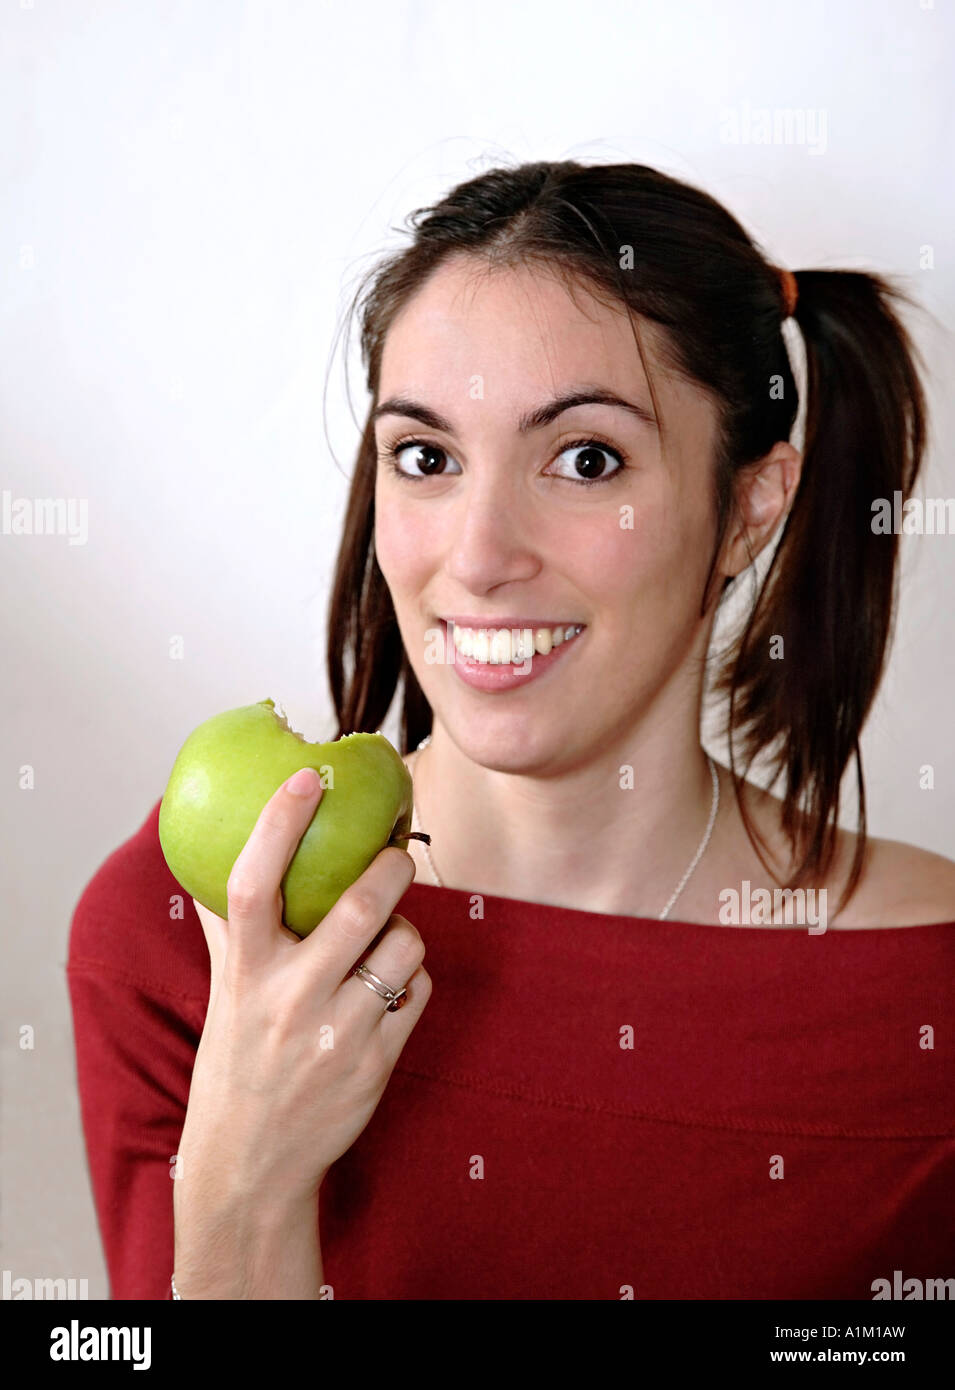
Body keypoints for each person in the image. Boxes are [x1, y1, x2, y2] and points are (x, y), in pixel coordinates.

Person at [68, 160, 955, 1300]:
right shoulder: (181, 930)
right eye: (425, 457)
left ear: (748, 505)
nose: (480, 556)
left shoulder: (920, 996)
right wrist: (243, 1186)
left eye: (586, 460)